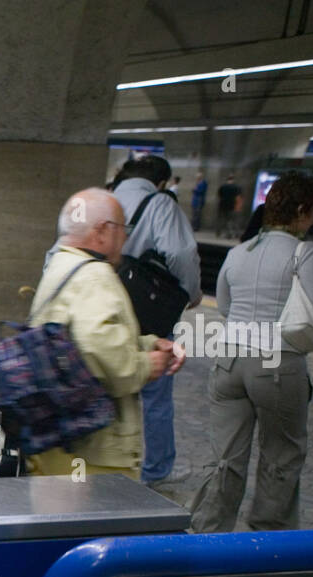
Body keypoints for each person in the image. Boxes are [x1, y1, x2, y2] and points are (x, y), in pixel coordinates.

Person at [188, 172, 313, 532]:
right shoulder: (305, 252)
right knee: (281, 455)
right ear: (302, 210)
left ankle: (209, 533)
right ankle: (267, 539)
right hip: (277, 361)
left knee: (225, 456)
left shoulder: (239, 251)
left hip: (228, 359)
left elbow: (224, 304)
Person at [26, 187, 182, 479]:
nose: (126, 238)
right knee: (98, 523)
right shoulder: (95, 275)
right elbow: (98, 348)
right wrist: (148, 364)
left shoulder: (61, 263)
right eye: (123, 229)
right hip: (94, 450)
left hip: (55, 438)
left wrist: (146, 343)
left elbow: (78, 336)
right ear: (102, 231)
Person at [111, 155, 202, 486]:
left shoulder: (103, 198)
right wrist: (190, 292)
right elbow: (180, 253)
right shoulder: (161, 204)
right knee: (156, 392)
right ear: (161, 182)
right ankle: (156, 469)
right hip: (147, 308)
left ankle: (106, 464)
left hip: (105, 304)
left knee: (106, 379)